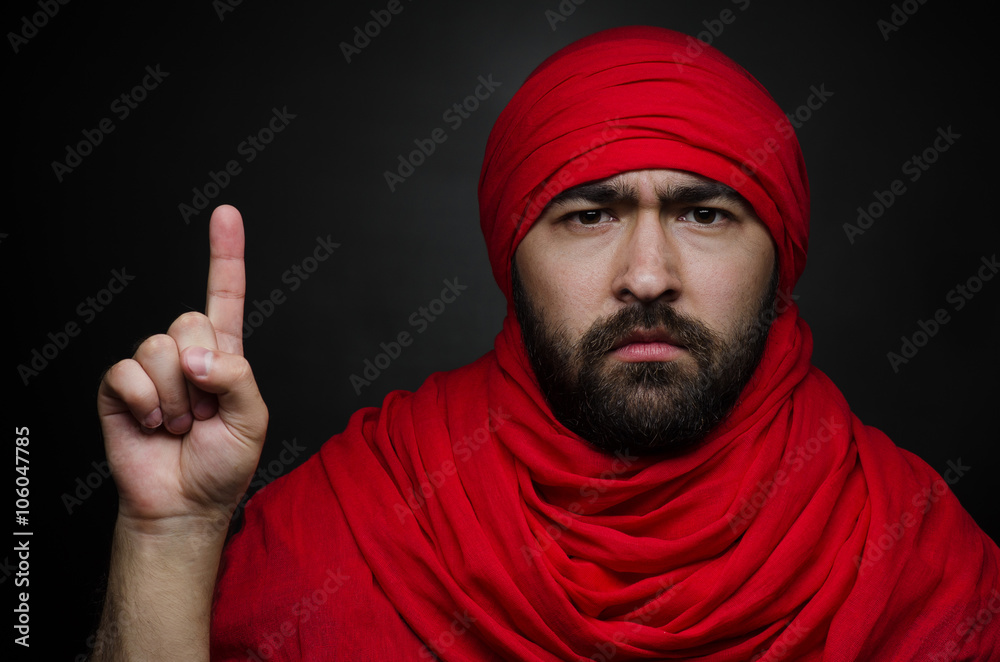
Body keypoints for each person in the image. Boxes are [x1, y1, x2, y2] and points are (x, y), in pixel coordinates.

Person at [92, 26, 1000, 661]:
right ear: (512, 256)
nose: (648, 275)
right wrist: (167, 537)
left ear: (782, 256)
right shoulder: (358, 516)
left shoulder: (913, 549)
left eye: (706, 213)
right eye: (590, 215)